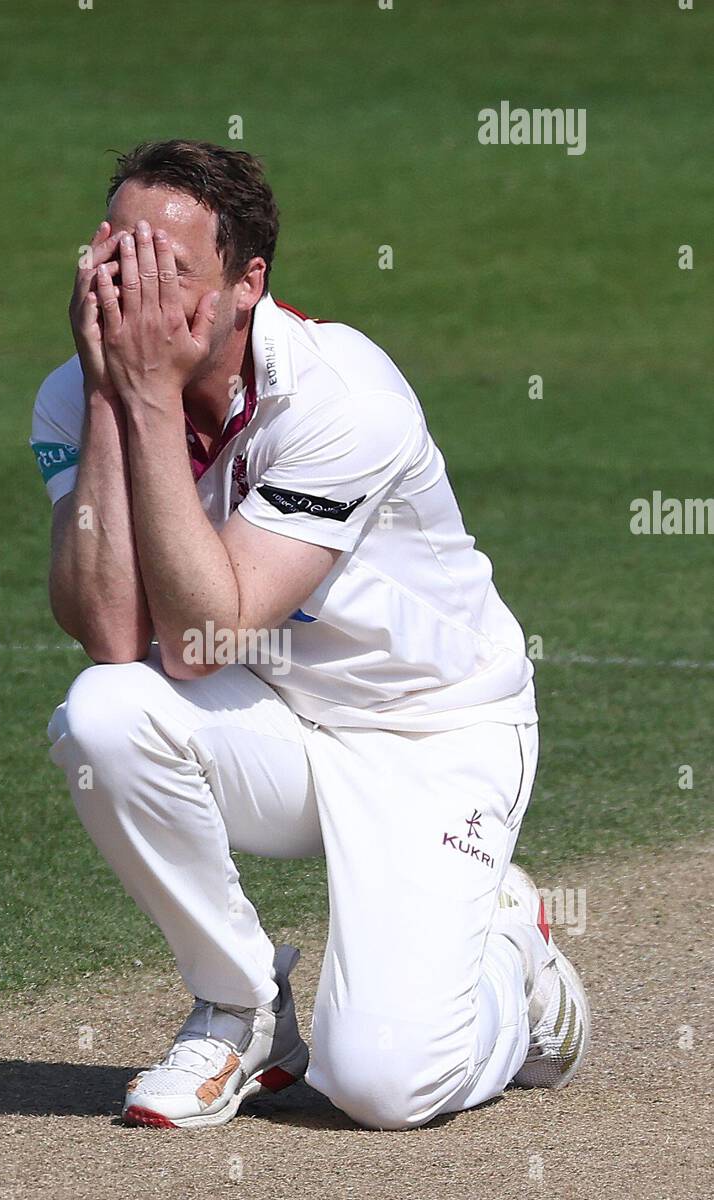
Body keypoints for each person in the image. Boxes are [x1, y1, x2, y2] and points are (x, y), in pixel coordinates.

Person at [32, 140, 589, 1130]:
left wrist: (147, 392)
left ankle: (516, 966)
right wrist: (116, 398)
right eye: (116, 259)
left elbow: (201, 637)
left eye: (169, 272)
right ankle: (241, 1006)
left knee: (379, 1085)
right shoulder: (74, 396)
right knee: (103, 715)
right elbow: (115, 632)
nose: (134, 294)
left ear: (248, 285)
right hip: (282, 722)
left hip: (432, 734)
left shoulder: (347, 400)